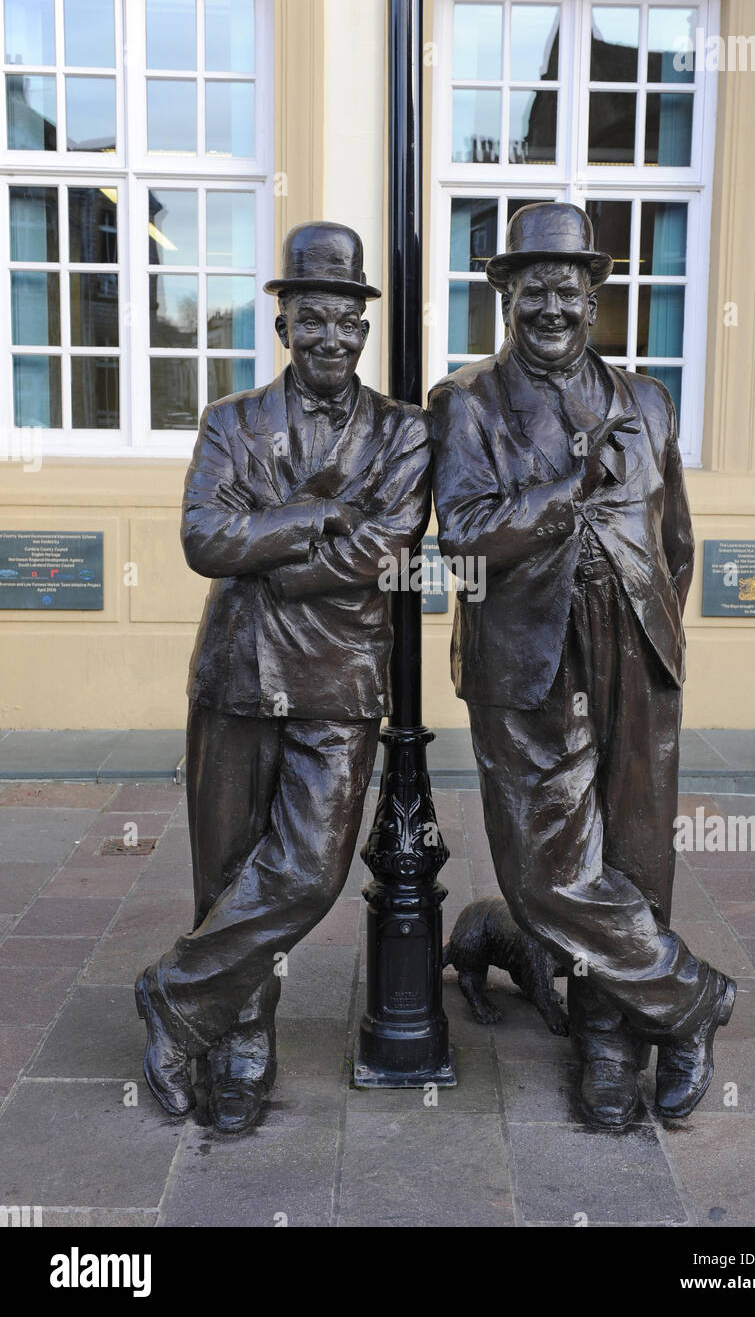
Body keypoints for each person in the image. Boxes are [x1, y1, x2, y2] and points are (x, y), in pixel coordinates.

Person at [428, 202, 735, 1128]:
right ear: (503, 296)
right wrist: (569, 486)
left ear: (593, 293)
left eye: (567, 288)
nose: (551, 307)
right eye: (532, 291)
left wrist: (651, 624)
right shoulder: (467, 403)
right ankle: (689, 1001)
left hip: (635, 648)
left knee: (636, 851)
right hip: (526, 655)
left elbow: (673, 534)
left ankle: (611, 1040)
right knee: (542, 869)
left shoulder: (647, 400)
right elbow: (467, 540)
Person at [135, 222, 430, 1133]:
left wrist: (273, 542)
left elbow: (390, 548)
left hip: (337, 682)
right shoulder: (230, 420)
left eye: (346, 320)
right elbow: (202, 541)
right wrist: (318, 516)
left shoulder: (404, 431)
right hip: (233, 675)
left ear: (364, 328)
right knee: (227, 870)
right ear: (284, 325)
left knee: (305, 870)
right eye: (312, 319)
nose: (332, 337)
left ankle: (175, 995)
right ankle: (241, 1035)